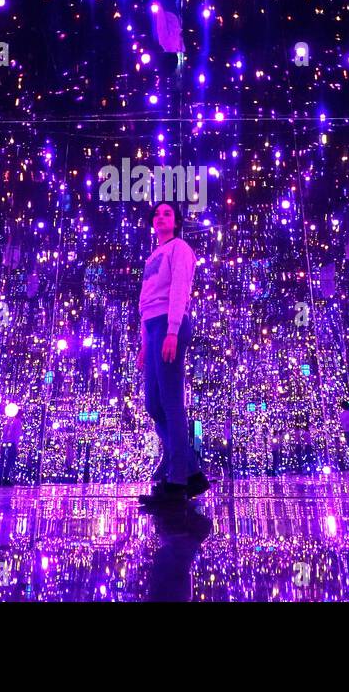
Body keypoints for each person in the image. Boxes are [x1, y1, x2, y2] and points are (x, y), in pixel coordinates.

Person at [137, 201, 208, 506]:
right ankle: (190, 472)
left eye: (167, 213)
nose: (160, 217)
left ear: (177, 221)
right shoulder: (153, 255)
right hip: (153, 327)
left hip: (170, 323)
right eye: (156, 213)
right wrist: (144, 341)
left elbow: (179, 289)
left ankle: (178, 480)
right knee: (154, 403)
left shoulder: (180, 248)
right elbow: (144, 301)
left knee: (171, 402)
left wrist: (172, 330)